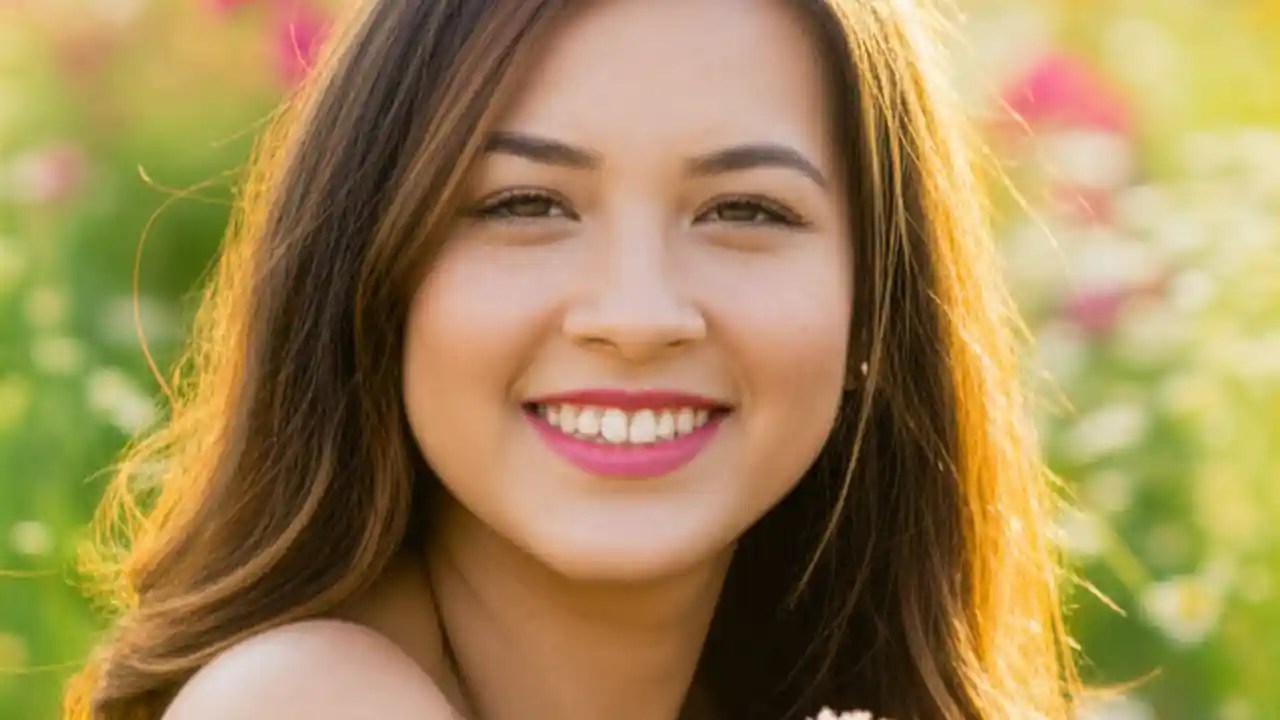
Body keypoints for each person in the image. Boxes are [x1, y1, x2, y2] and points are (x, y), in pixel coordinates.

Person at [64, 0, 1081, 718]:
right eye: (525, 204)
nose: (636, 316)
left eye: (744, 210)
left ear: (876, 306)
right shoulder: (301, 702)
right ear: (371, 277)